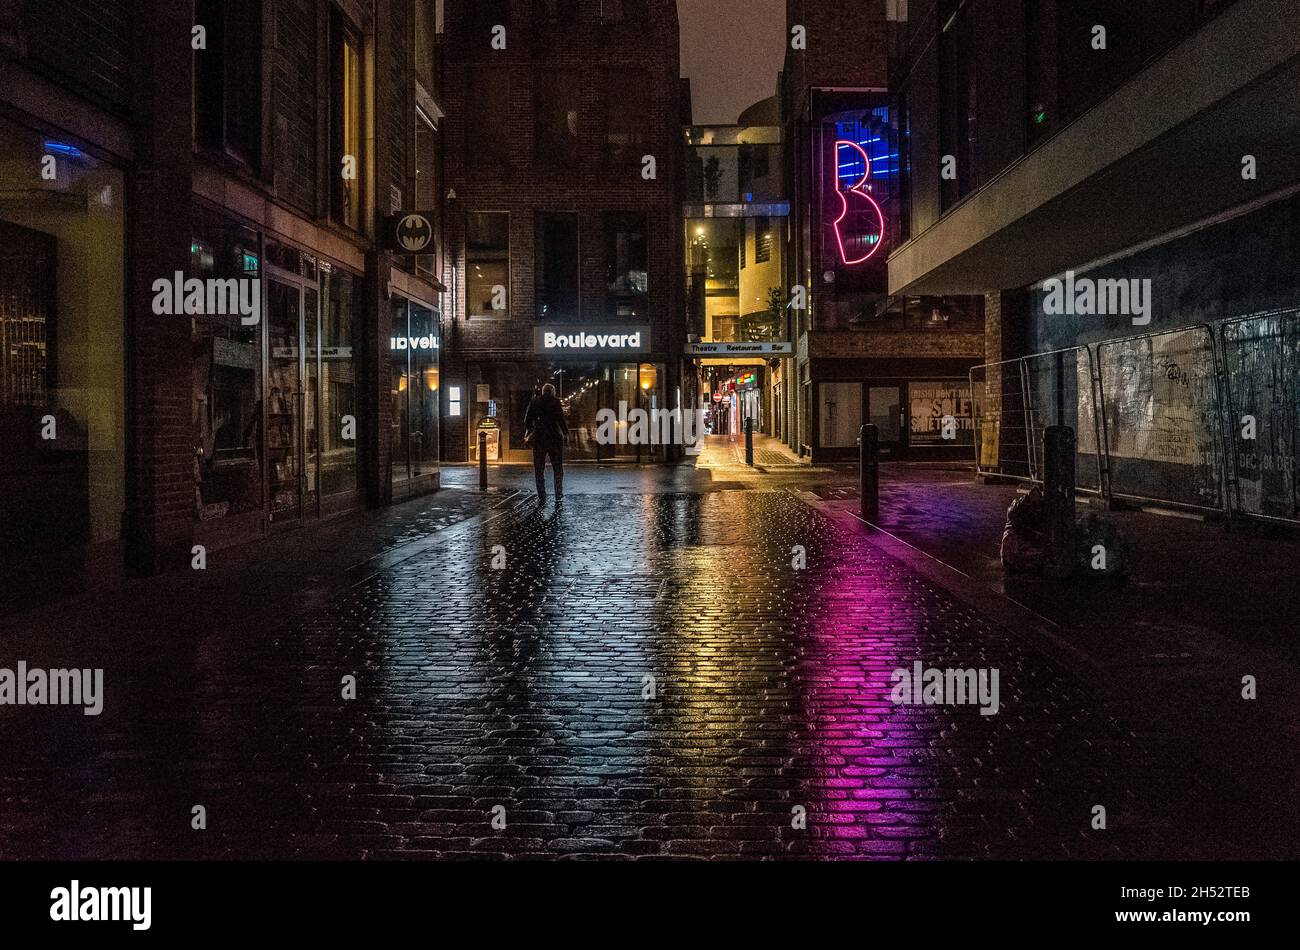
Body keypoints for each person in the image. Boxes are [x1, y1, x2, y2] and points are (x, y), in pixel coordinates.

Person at [524, 383, 568, 501]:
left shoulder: (534, 401)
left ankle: (541, 494)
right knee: (557, 467)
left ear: (543, 391)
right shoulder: (556, 402)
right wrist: (566, 432)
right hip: (554, 438)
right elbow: (561, 419)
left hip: (539, 438)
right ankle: (558, 493)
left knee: (539, 468)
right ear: (553, 391)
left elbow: (527, 420)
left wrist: (533, 429)